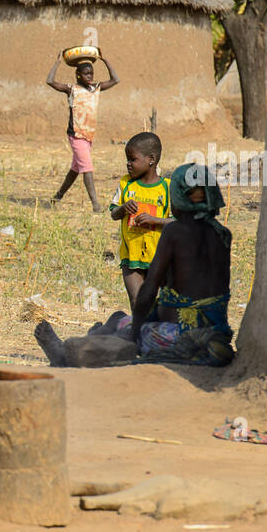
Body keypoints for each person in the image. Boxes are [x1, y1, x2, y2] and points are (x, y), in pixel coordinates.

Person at [129, 162, 234, 365]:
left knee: (116, 322)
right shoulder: (222, 234)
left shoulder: (174, 232)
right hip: (216, 334)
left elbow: (149, 290)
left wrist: (133, 334)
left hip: (178, 335)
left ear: (178, 199)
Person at [46, 50, 119, 212]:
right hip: (76, 135)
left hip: (89, 136)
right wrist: (58, 62)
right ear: (78, 75)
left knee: (76, 169)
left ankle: (57, 196)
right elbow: (50, 81)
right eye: (86, 74)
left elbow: (116, 79)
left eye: (91, 74)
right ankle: (95, 204)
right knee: (87, 168)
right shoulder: (71, 89)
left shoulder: (96, 88)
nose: (90, 77)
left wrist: (105, 59)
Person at [110, 132, 171, 312]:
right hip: (131, 255)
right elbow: (113, 213)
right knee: (138, 303)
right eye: (127, 160)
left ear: (151, 159)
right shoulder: (125, 185)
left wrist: (155, 220)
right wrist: (123, 208)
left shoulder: (167, 188)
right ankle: (140, 338)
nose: (128, 164)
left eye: (132, 159)